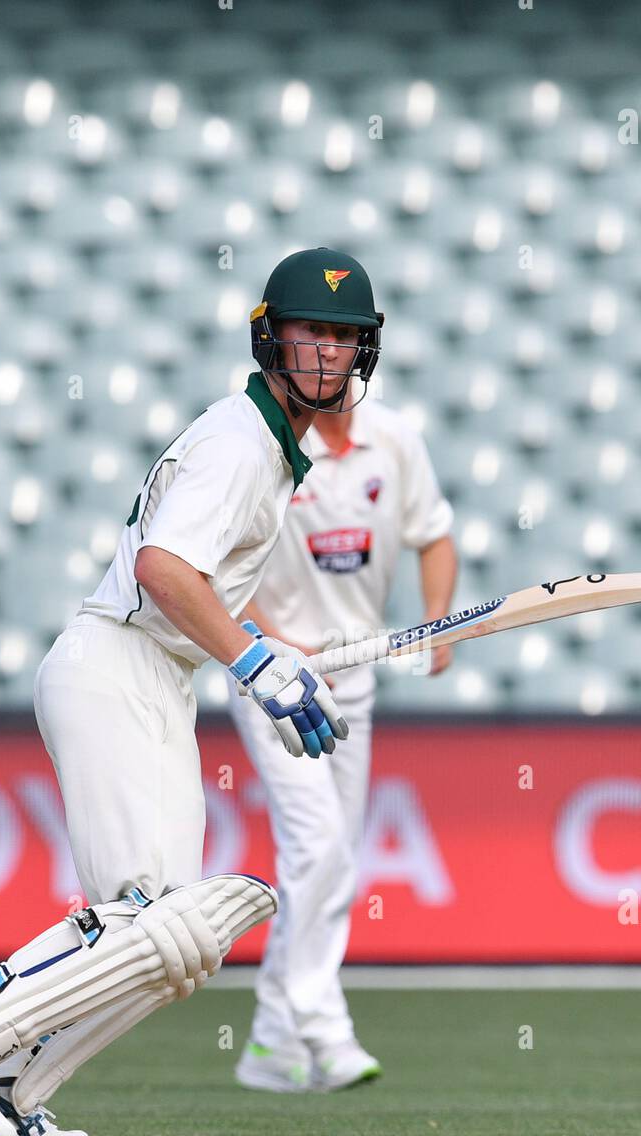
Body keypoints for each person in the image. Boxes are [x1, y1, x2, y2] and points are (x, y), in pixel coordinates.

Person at [0, 247, 383, 1136]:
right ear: (271, 338)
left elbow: (206, 591)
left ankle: (12, 1082)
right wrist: (254, 665)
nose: (329, 353)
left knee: (178, 946)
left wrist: (271, 652)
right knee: (142, 921)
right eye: (313, 332)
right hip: (116, 664)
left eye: (346, 338)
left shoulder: (264, 453)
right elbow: (163, 567)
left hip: (156, 678)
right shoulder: (239, 443)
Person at [229, 383, 457, 1092]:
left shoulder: (393, 440)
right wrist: (276, 641)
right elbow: (227, 563)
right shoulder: (267, 452)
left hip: (356, 672)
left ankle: (271, 1045)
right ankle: (326, 1032)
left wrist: (437, 619)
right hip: (277, 674)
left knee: (333, 858)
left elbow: (435, 535)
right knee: (317, 843)